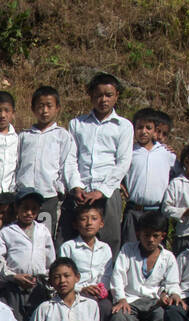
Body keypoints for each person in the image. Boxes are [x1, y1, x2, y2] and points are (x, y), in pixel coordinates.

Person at [64, 73, 133, 252]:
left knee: (110, 240)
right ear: (91, 96)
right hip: (82, 191)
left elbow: (123, 162)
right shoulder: (77, 124)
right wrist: (76, 186)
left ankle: (107, 279)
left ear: (116, 95)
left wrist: (101, 191)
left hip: (108, 193)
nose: (103, 100)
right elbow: (71, 158)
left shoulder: (124, 126)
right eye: (99, 95)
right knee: (73, 240)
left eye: (108, 95)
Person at [107, 209, 180, 321]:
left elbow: (172, 282)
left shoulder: (168, 257)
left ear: (163, 236)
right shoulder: (128, 250)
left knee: (161, 318)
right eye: (146, 235)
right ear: (139, 234)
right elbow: (118, 275)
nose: (151, 240)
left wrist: (172, 294)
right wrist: (121, 298)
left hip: (155, 302)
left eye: (155, 236)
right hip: (131, 300)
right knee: (119, 318)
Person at [16, 85, 80, 236]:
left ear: (57, 108)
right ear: (33, 108)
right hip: (24, 194)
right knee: (22, 235)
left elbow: (67, 164)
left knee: (45, 237)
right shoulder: (25, 136)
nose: (44, 111)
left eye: (49, 106)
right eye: (40, 106)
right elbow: (16, 163)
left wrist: (61, 188)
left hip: (48, 197)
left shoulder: (62, 136)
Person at [0, 189, 54, 318]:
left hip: (37, 284)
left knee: (36, 319)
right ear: (16, 208)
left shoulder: (43, 231)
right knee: (15, 320)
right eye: (25, 208)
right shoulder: (7, 232)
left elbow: (50, 259)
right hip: (14, 285)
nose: (29, 213)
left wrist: (47, 280)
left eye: (34, 209)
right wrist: (14, 276)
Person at [122, 108, 175, 246]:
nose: (143, 131)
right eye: (139, 127)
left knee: (155, 249)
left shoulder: (165, 153)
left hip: (157, 211)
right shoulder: (129, 151)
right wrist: (119, 184)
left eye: (148, 128)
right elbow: (117, 170)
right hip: (134, 210)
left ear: (154, 130)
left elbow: (181, 174)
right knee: (130, 248)